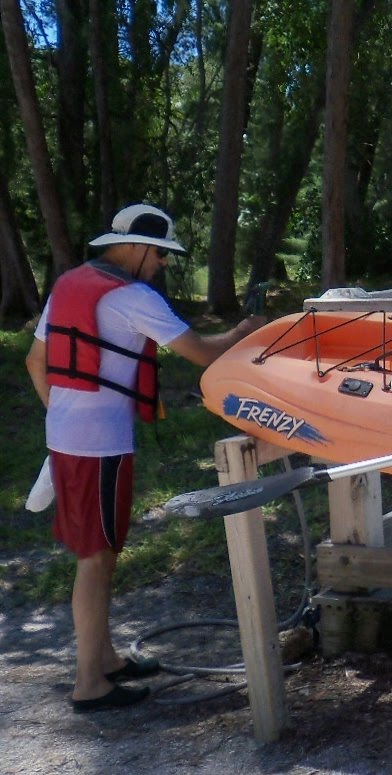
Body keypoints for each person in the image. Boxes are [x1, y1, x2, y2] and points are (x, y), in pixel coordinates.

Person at [25, 204, 265, 713]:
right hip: (100, 446)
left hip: (70, 439)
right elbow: (203, 352)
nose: (163, 262)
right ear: (133, 248)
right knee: (95, 559)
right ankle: (89, 684)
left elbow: (34, 360)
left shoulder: (69, 284)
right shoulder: (133, 297)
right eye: (158, 252)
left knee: (102, 551)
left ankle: (105, 659)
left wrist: (62, 414)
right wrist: (245, 331)